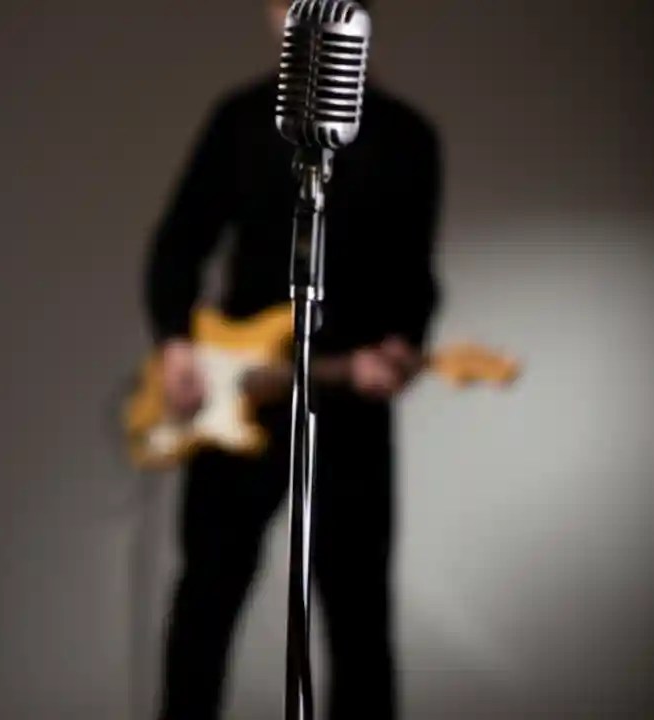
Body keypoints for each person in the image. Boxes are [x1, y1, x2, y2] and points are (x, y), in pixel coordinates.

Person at [144, 1, 440, 717]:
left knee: (359, 625)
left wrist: (401, 348)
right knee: (204, 608)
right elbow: (179, 243)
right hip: (238, 401)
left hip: (351, 413)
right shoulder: (241, 121)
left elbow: (416, 278)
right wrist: (176, 344)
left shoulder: (405, 137)